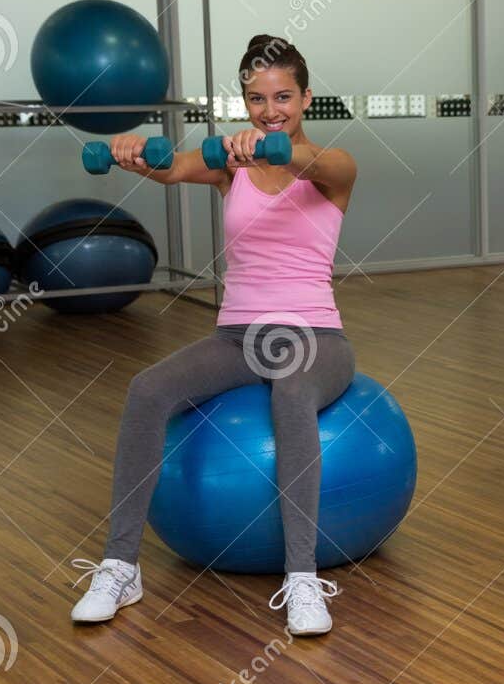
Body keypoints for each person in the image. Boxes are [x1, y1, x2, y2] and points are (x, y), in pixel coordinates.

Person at [71, 34, 357, 637]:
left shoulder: (335, 167)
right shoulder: (232, 163)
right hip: (237, 336)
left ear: (306, 98)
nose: (270, 109)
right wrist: (134, 153)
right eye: (256, 98)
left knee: (293, 394)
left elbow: (313, 162)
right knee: (148, 390)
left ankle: (301, 578)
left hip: (316, 336)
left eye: (283, 97)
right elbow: (171, 167)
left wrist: (271, 149)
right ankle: (121, 566)